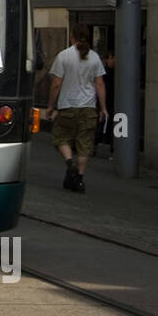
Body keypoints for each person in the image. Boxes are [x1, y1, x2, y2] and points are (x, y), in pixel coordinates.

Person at [46, 23, 108, 193]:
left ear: (71, 36)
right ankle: (79, 178)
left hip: (67, 105)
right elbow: (100, 83)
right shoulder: (94, 57)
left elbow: (57, 83)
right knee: (85, 143)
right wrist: (103, 108)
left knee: (60, 137)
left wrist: (51, 105)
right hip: (88, 106)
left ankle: (69, 162)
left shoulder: (64, 56)